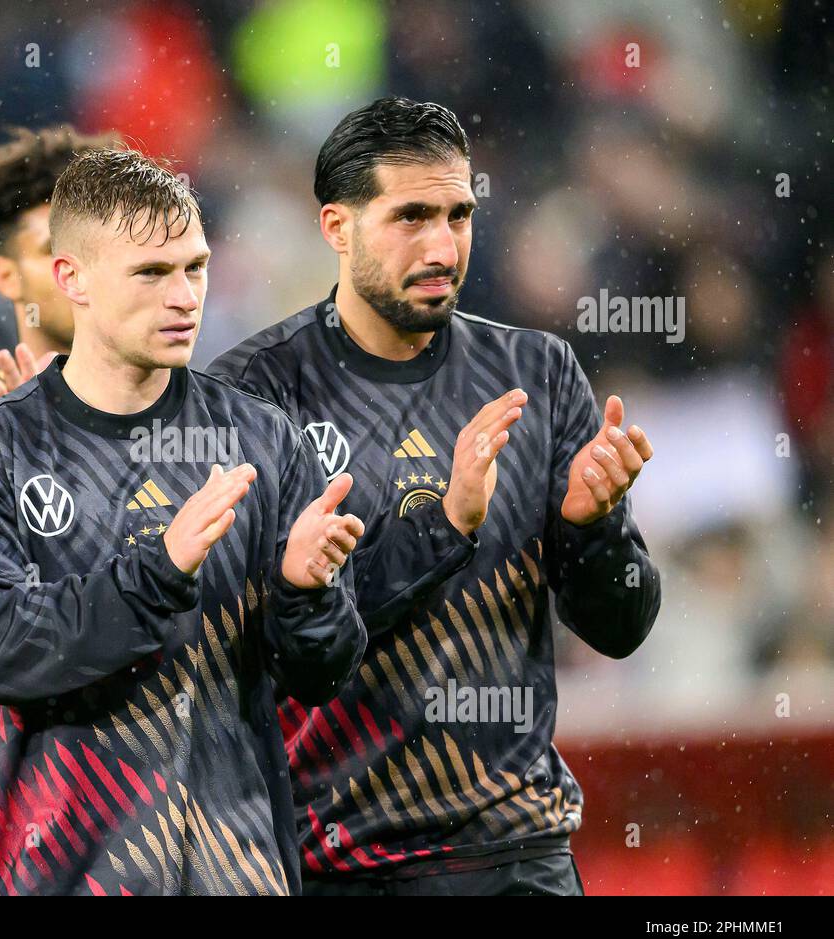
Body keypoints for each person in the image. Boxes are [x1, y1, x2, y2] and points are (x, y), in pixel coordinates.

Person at [208, 97, 660, 896]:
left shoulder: (538, 374)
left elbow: (619, 626)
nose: (443, 245)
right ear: (336, 227)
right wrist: (445, 524)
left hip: (524, 852)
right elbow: (285, 656)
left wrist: (594, 532)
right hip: (345, 863)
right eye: (411, 216)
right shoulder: (255, 393)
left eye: (459, 214)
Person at [0, 148, 368, 895]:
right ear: (72, 279)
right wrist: (156, 574)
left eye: (195, 268)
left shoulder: (261, 440)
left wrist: (306, 593)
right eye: (152, 274)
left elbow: (320, 676)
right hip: (52, 876)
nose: (183, 295)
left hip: (235, 873)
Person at [0, 125, 119, 410]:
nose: (83, 270)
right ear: (7, 277)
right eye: (54, 250)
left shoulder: (192, 413)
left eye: (97, 246)